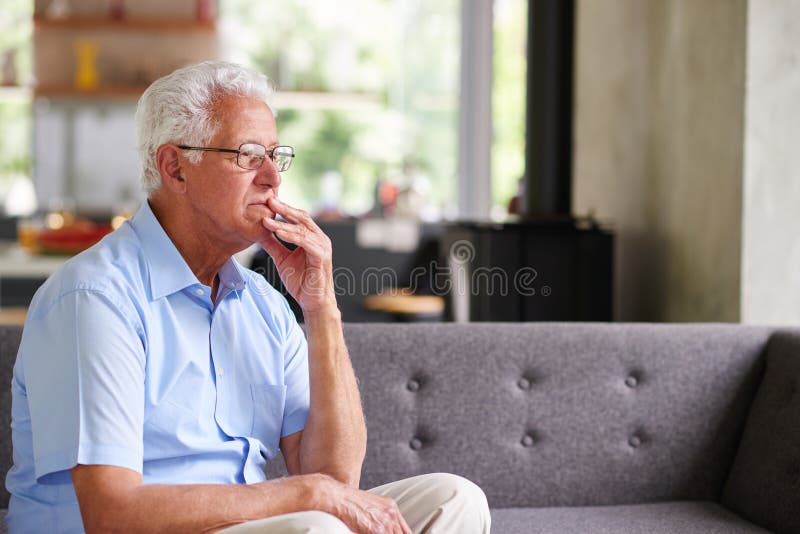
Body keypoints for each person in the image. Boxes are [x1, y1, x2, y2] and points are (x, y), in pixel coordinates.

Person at [5, 61, 490, 533]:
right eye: (248, 155)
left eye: (275, 156)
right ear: (175, 167)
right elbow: (112, 515)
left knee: (453, 500)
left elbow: (337, 480)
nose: (273, 178)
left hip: (258, 523)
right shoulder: (95, 298)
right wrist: (306, 495)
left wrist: (321, 308)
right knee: (317, 526)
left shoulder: (263, 305)